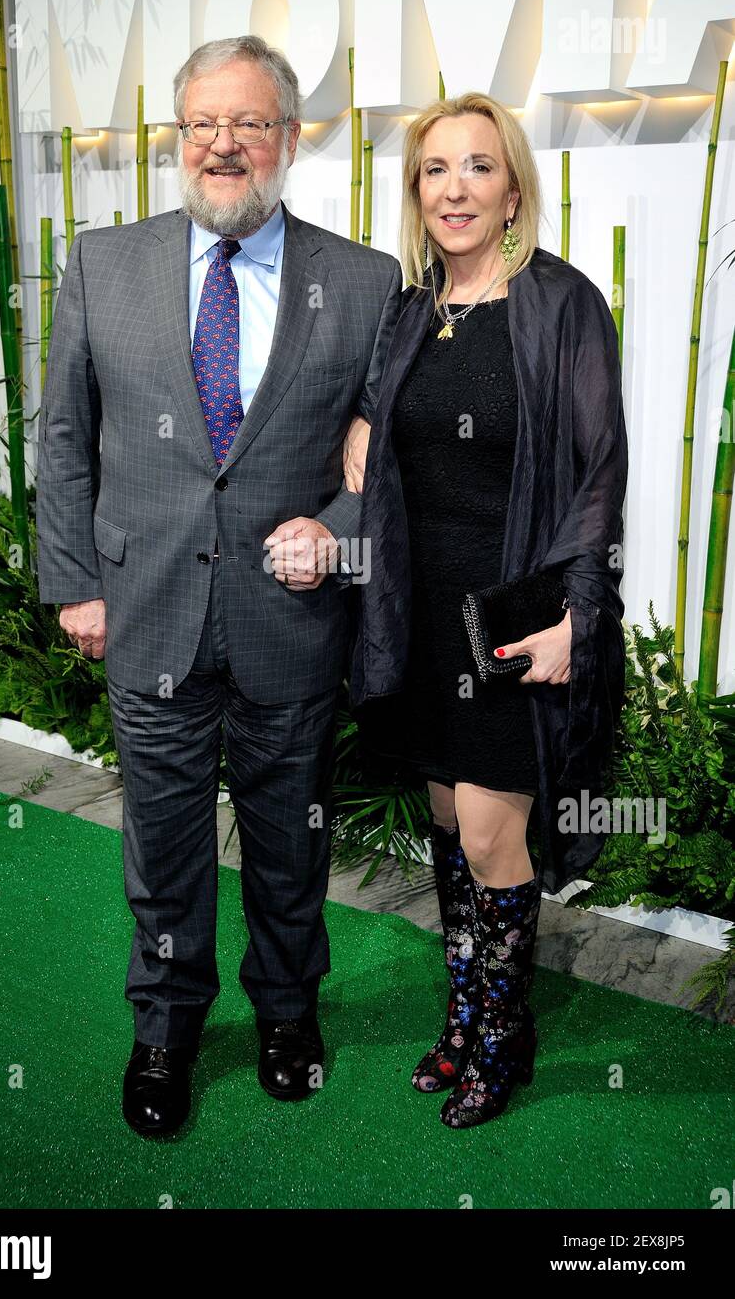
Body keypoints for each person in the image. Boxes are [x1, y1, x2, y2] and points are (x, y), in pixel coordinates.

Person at [36, 34, 401, 1138]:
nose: (223, 144)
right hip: (143, 611)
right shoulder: (103, 264)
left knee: (290, 841)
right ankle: (165, 1030)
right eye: (203, 124)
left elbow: (390, 460)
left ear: (290, 138)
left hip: (289, 624)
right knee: (164, 847)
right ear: (176, 137)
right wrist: (74, 584)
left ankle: (288, 1015)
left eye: (248, 124)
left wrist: (336, 533)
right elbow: (63, 437)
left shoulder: (363, 279)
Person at [345, 93, 628, 1129]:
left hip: (514, 616)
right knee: (443, 824)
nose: (453, 188)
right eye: (433, 170)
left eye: (476, 167)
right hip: (420, 618)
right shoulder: (413, 309)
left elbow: (600, 473)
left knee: (489, 832)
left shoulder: (561, 304)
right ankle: (462, 1016)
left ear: (512, 187)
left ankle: (503, 1037)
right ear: (414, 192)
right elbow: (379, 429)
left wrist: (577, 620)